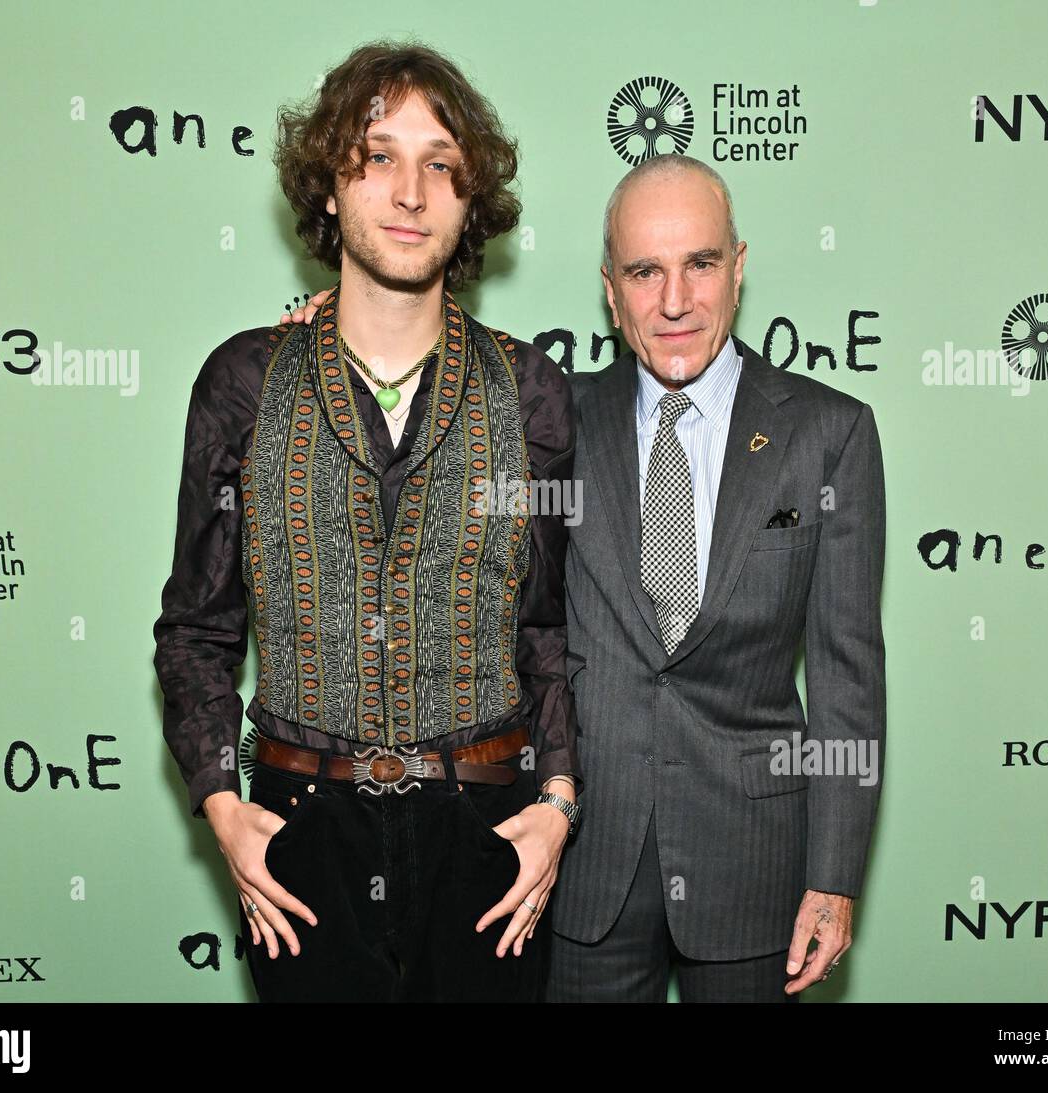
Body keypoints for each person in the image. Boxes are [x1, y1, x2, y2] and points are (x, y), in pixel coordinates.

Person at [152, 40, 580, 1003]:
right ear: (330, 185)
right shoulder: (245, 383)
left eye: (441, 164)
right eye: (378, 155)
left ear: (472, 203)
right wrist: (222, 801)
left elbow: (550, 630)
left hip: (491, 830)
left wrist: (556, 799)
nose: (411, 191)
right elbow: (197, 629)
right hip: (303, 831)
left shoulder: (533, 393)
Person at [545, 154, 886, 1002]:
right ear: (610, 289)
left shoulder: (829, 433)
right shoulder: (551, 419)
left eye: (699, 263)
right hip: (583, 863)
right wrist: (337, 325)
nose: (674, 301)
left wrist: (836, 876)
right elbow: (430, 367)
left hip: (755, 867)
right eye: (644, 271)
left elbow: (847, 677)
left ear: (738, 267)